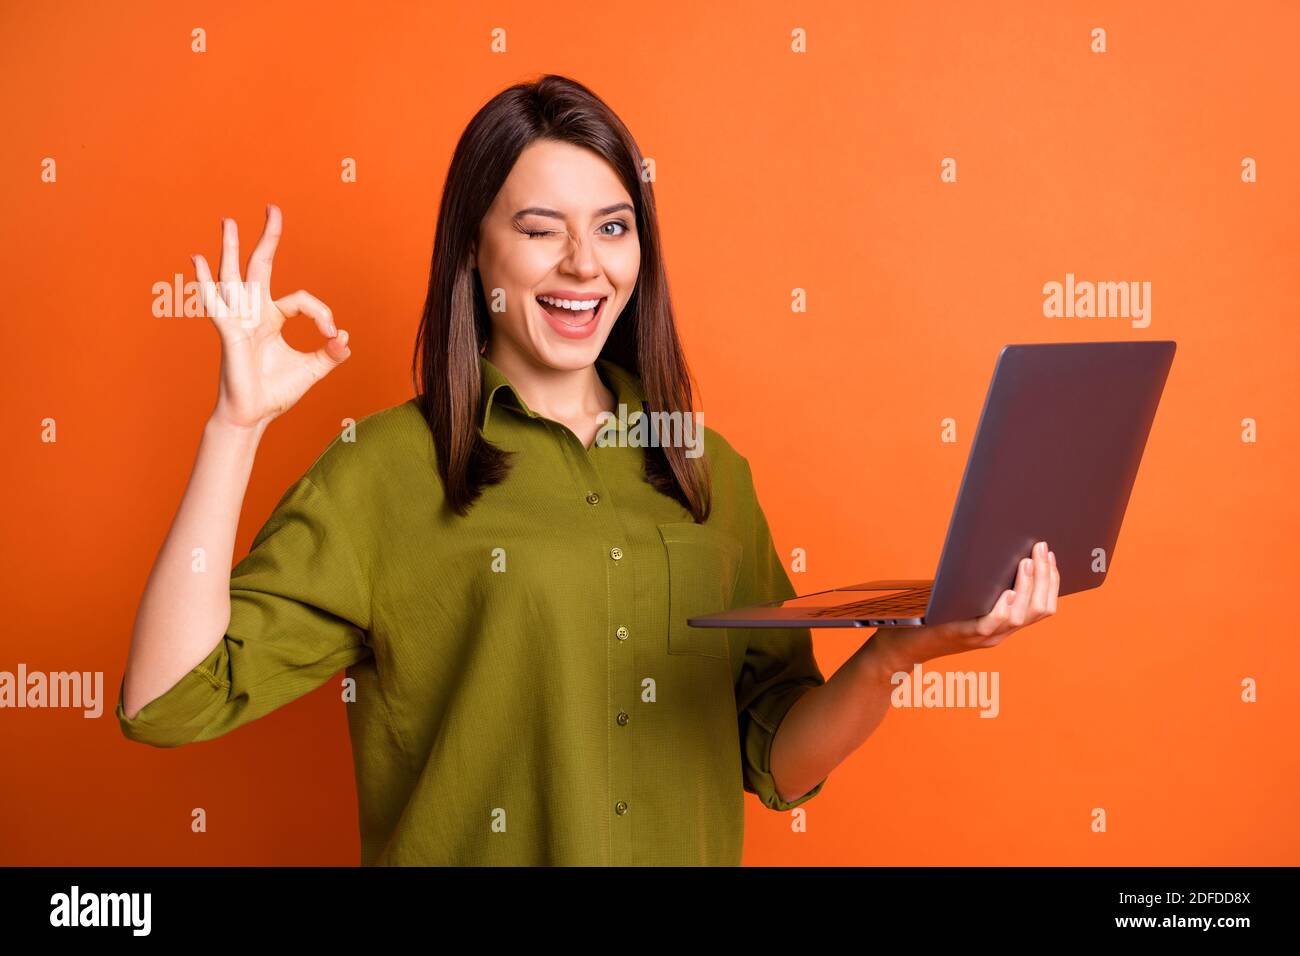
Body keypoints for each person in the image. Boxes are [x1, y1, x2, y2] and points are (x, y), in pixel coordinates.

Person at [117, 74, 1060, 866]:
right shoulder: (385, 471)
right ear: (473, 250)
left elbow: (777, 761)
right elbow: (166, 703)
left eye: (613, 228)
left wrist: (898, 653)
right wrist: (234, 426)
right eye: (539, 229)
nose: (584, 265)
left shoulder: (705, 469)